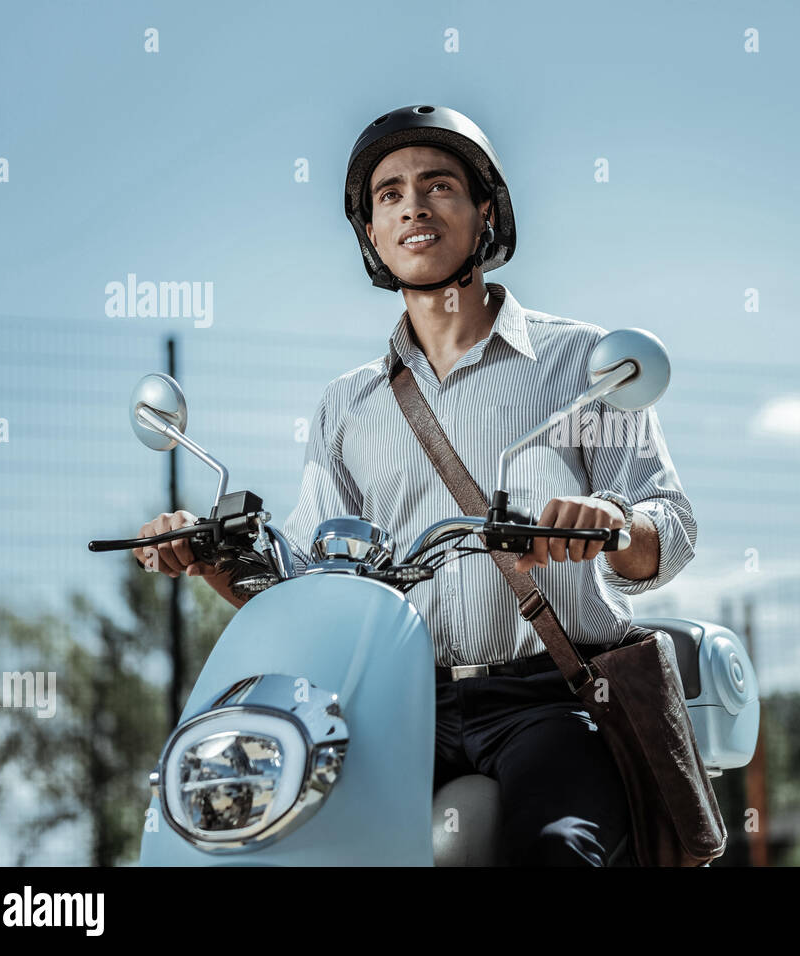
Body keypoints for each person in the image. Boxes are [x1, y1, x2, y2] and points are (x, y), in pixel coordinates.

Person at [133, 104, 698, 866]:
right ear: (371, 232)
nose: (413, 207)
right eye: (388, 196)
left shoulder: (583, 362)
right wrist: (205, 553)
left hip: (549, 698)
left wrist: (610, 523)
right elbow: (302, 580)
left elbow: (671, 524)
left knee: (559, 850)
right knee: (282, 839)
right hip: (397, 705)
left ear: (484, 210)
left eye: (438, 186)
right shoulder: (350, 402)